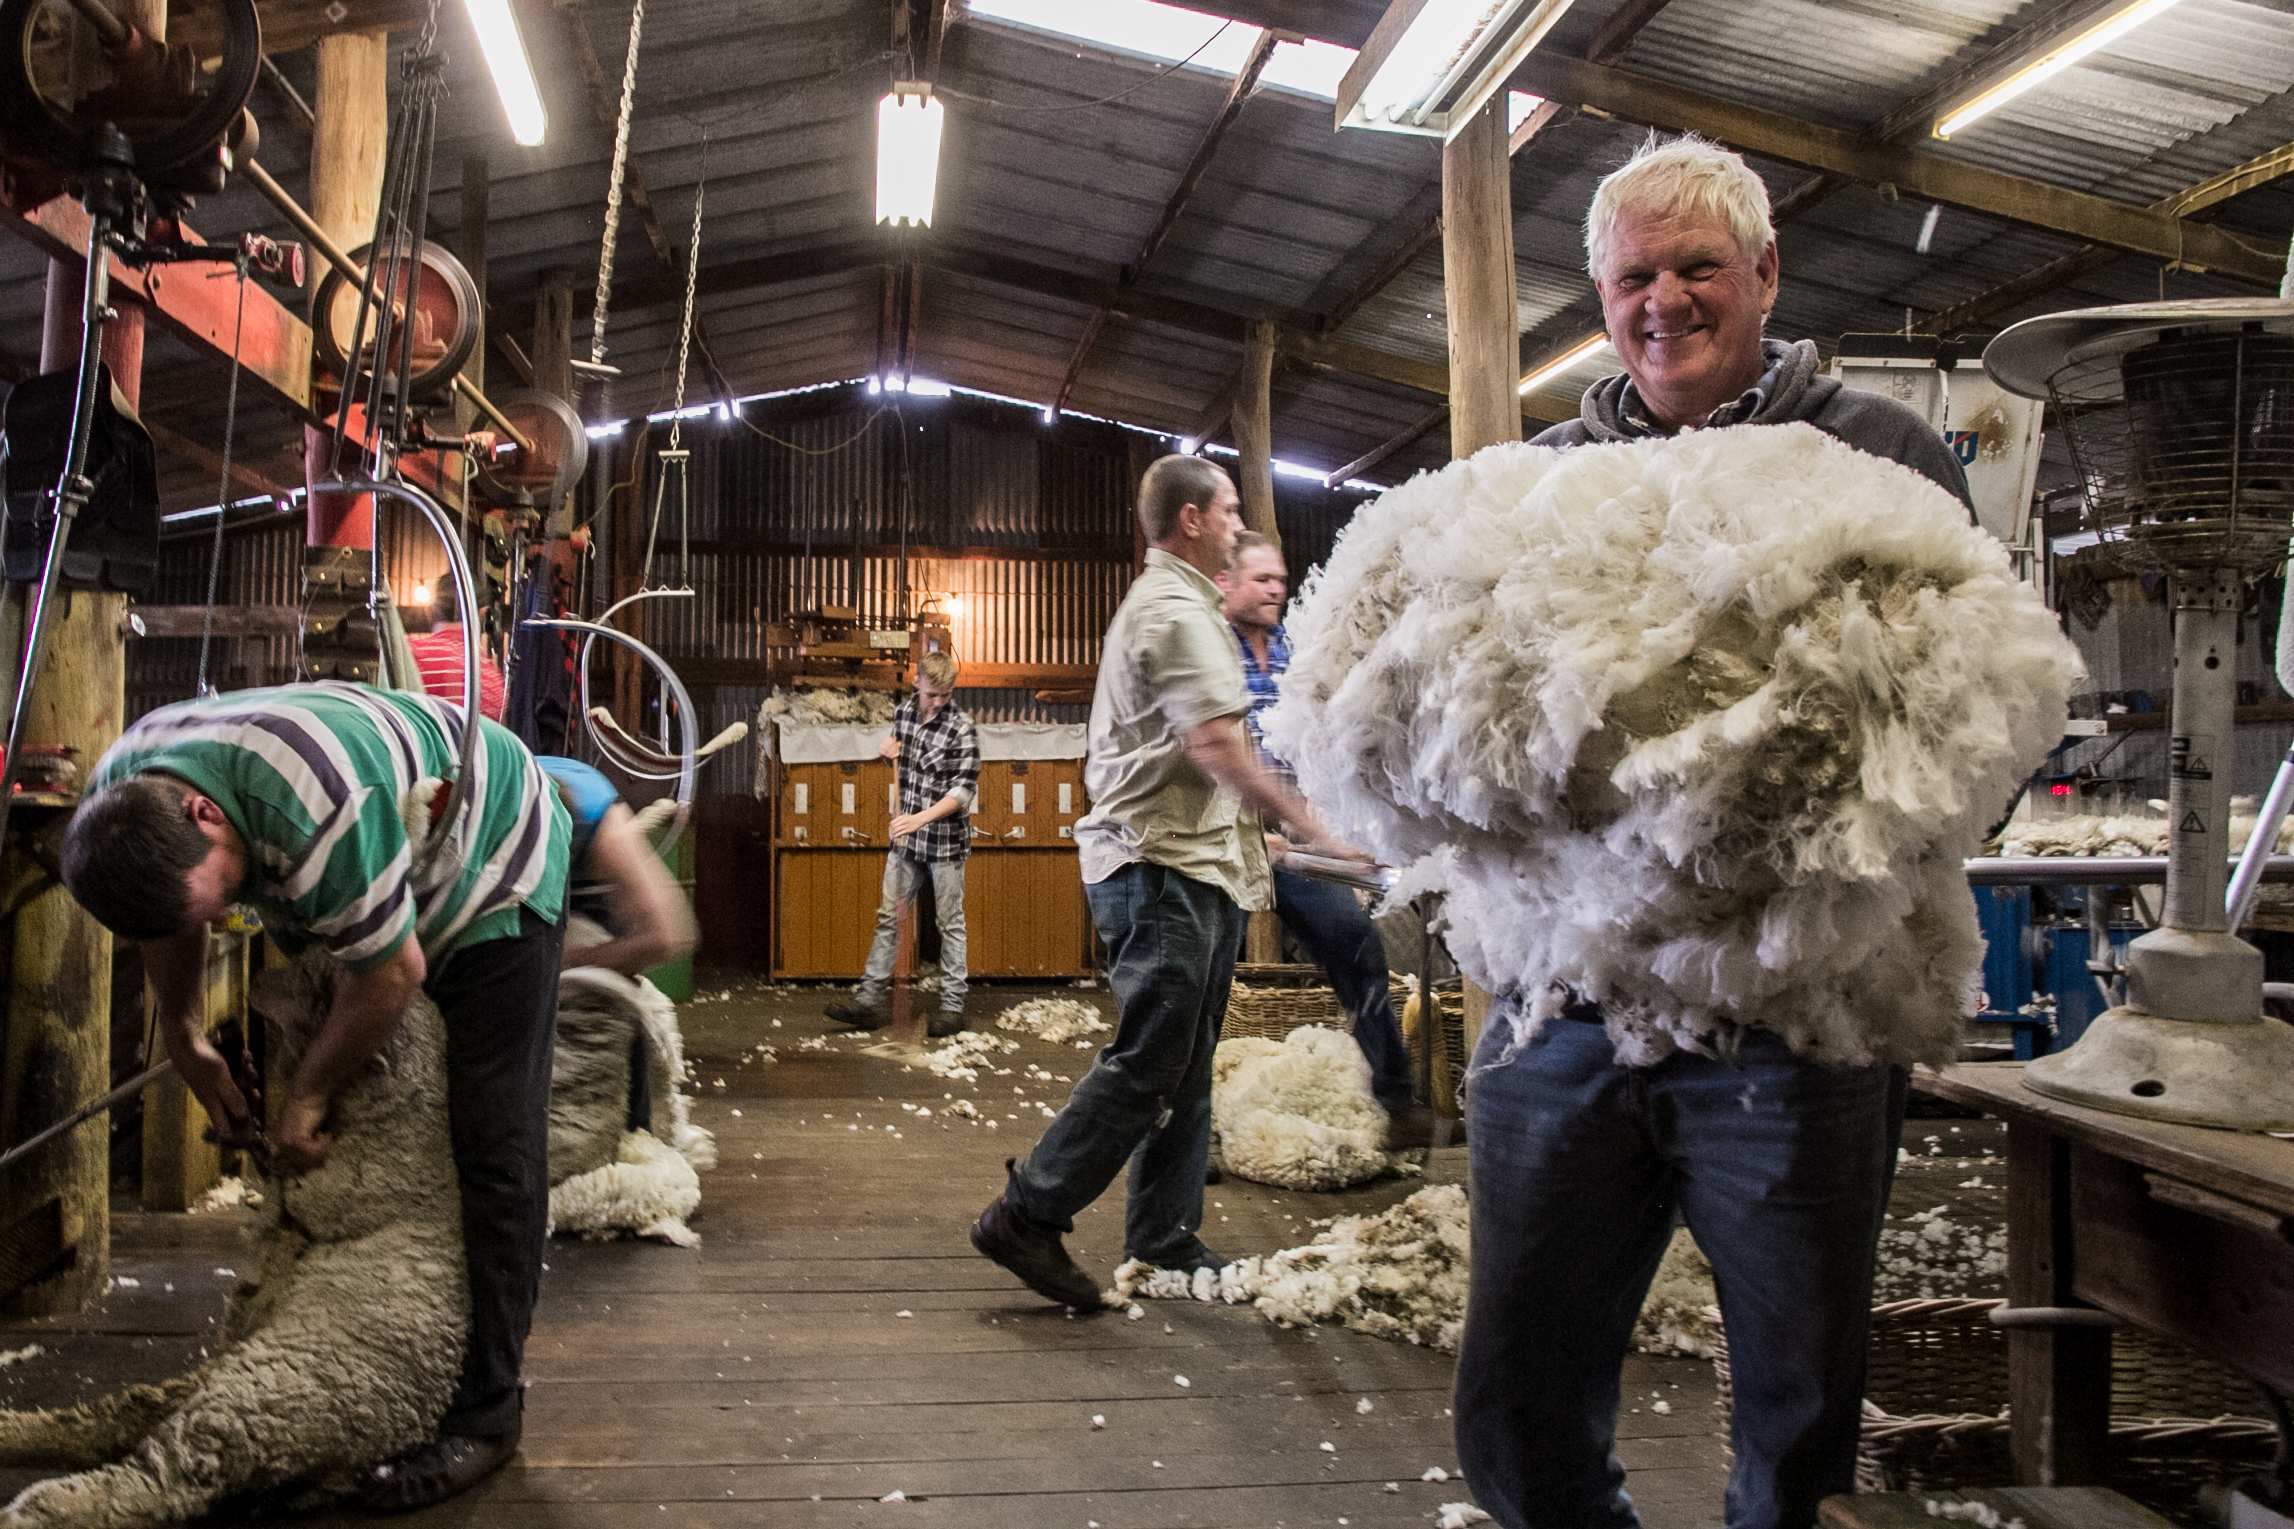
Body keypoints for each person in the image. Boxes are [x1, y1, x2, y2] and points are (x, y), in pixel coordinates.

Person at [1449, 134, 1978, 1529]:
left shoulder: (1877, 454)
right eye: (1635, 276)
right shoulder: (1542, 480)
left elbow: (1957, 710)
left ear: (1763, 273)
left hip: (1797, 1017)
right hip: (1571, 1006)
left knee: (1797, 1420)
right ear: (1600, 296)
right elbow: (1480, 729)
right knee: (1511, 1405)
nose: (1663, 301)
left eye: (1697, 267)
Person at [60, 681, 572, 1510]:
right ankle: (345, 1345)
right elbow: (170, 917)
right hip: (360, 845)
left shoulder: (317, 809)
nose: (220, 912)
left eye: (219, 896)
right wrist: (183, 1034)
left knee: (491, 1131)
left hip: (492, 854)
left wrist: (305, 1096)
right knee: (365, 1097)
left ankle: (488, 1410)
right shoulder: (120, 802)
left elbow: (392, 971)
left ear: (203, 813)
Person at [968, 455, 1358, 1311]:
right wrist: (1316, 827)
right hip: (1159, 868)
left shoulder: (1189, 608)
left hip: (1192, 861)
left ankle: (1164, 1236)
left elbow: (1199, 753)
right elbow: (1215, 746)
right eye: (1229, 509)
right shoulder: (1176, 612)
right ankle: (1028, 1211)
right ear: (1192, 520)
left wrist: (1258, 837)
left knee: (1184, 1065)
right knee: (1152, 1056)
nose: (1239, 524)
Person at [1217, 530, 1440, 1151]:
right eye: (1261, 579)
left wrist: (1326, 822)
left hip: (1293, 838)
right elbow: (1210, 753)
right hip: (1220, 840)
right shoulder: (1210, 650)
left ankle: (1397, 1102)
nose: (1275, 590)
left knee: (1355, 943)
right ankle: (1186, 1132)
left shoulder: (1291, 651)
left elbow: (1313, 737)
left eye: (1280, 580)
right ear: (1227, 584)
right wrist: (1249, 831)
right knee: (1207, 980)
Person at [824, 651, 979, 1039]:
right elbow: (900, 765)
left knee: (949, 923)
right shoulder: (904, 714)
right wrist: (885, 753)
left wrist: (920, 818)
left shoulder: (962, 728)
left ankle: (953, 1007)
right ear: (917, 683)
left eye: (945, 695)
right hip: (906, 840)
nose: (938, 702)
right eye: (932, 694)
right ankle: (869, 1002)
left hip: (944, 842)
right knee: (888, 917)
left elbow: (962, 793)